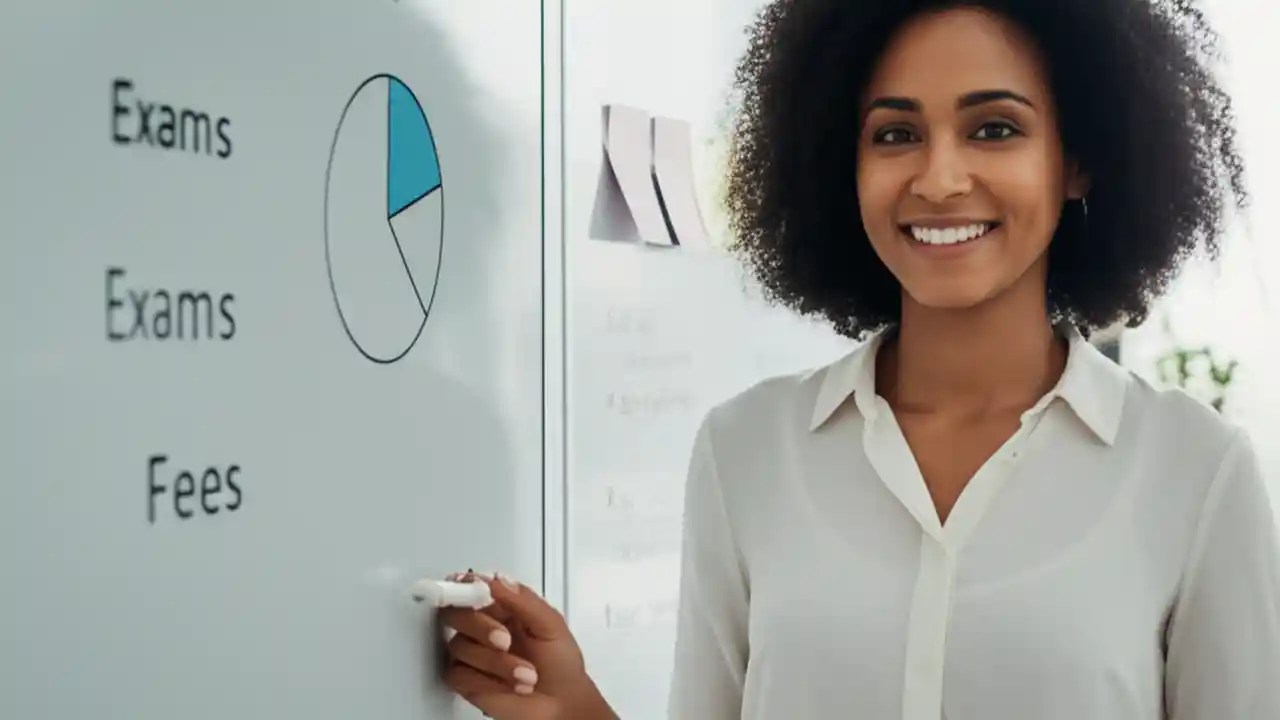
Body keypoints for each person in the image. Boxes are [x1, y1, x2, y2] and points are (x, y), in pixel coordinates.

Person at [438, 1, 1280, 718]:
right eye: (895, 133)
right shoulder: (747, 451)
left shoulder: (1194, 474)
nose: (939, 178)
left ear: (1079, 161)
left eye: (994, 129)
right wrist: (575, 708)